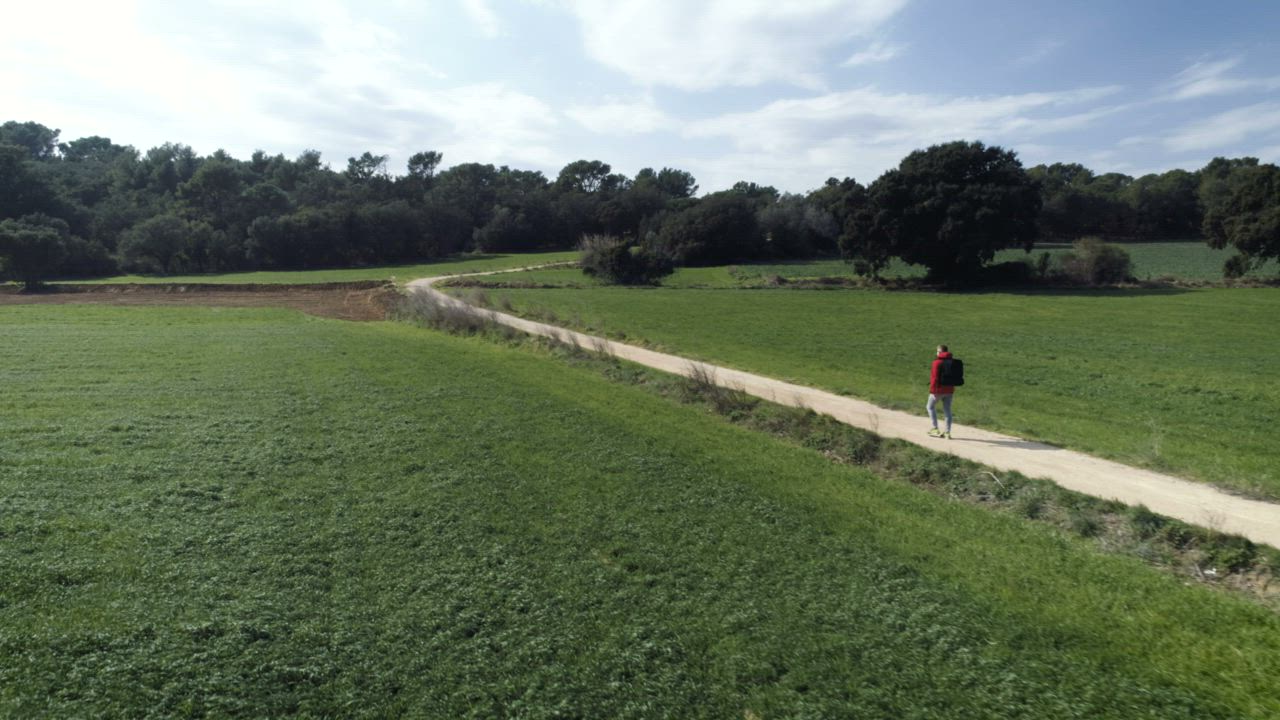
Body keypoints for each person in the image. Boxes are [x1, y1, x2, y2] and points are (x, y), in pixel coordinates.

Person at [927, 345, 956, 439]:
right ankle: (947, 432)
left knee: (930, 407)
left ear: (940, 352)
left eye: (937, 351)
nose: (937, 353)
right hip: (950, 390)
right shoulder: (952, 362)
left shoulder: (936, 362)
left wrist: (932, 390)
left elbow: (934, 378)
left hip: (938, 390)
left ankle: (935, 428)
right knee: (947, 410)